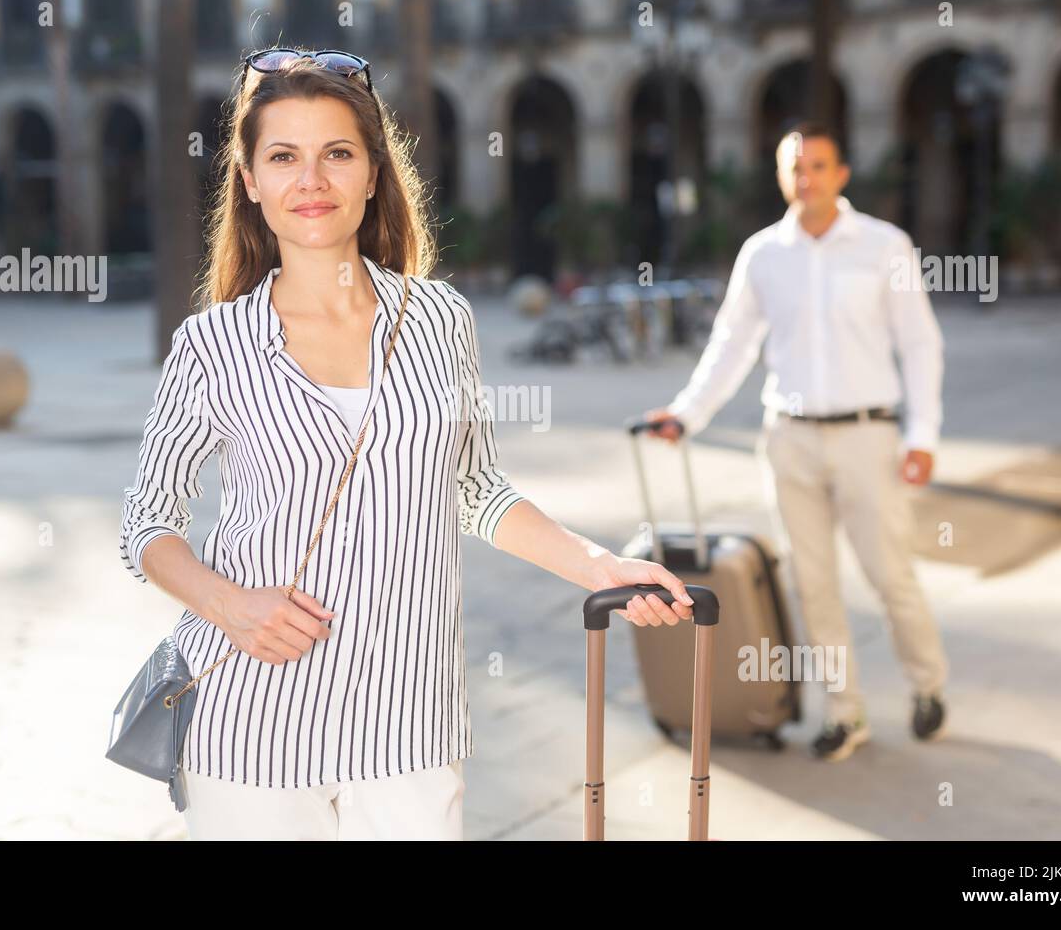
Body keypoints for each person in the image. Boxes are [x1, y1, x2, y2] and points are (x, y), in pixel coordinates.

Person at [118, 47, 698, 840]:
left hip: (409, 720)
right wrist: (232, 605)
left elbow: (474, 490)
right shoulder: (210, 345)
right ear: (250, 182)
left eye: (337, 154)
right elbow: (148, 522)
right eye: (283, 157)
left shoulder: (438, 321)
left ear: (372, 173)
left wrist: (604, 568)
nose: (311, 180)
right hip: (250, 716)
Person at [642, 122, 950, 762]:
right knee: (813, 584)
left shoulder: (884, 245)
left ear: (841, 174)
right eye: (795, 167)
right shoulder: (762, 253)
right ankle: (846, 711)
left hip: (869, 434)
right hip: (789, 439)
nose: (806, 178)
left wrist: (922, 434)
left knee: (890, 574)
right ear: (783, 176)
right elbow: (733, 343)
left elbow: (919, 343)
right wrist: (687, 413)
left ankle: (928, 687)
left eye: (818, 166)